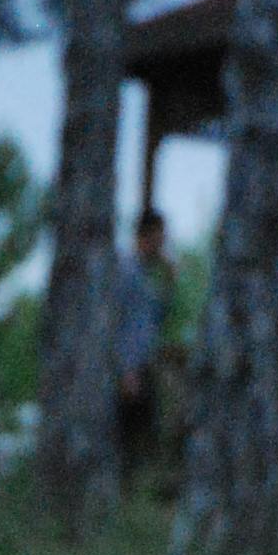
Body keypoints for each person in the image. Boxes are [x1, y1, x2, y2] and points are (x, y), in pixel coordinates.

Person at [116, 206, 175, 485]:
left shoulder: (147, 276)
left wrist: (168, 282)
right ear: (146, 235)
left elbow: (154, 320)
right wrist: (126, 370)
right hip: (130, 372)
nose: (163, 243)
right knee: (126, 439)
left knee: (145, 436)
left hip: (143, 368)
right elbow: (121, 323)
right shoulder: (127, 271)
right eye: (160, 236)